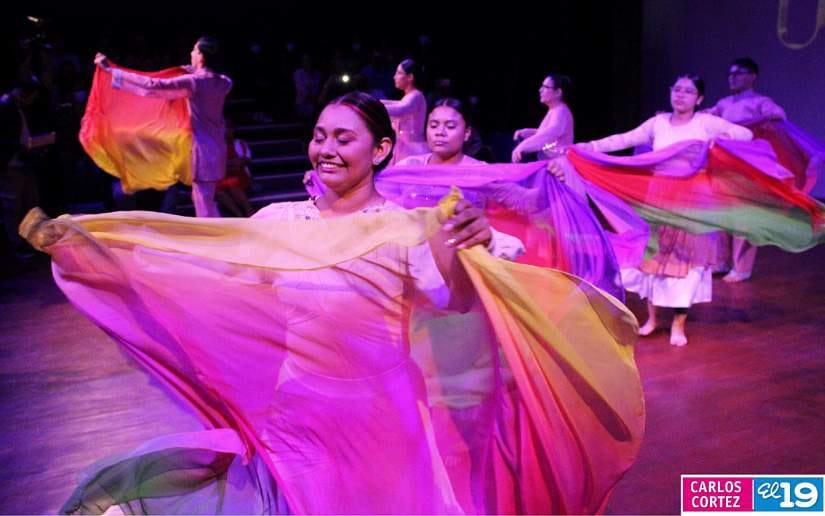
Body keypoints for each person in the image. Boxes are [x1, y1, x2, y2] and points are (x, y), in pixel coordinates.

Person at [22, 92, 643, 515]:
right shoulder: (279, 219)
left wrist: (466, 249)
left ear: (379, 151)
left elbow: (450, 302)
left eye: (344, 138)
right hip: (300, 410)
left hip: (385, 419)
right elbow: (208, 272)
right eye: (319, 136)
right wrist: (104, 250)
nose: (326, 149)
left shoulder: (405, 227)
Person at [579, 75, 752, 346]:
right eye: (677, 89)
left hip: (691, 203)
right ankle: (652, 319)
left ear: (699, 98)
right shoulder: (658, 123)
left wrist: (723, 135)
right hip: (659, 200)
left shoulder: (705, 123)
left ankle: (678, 324)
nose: (680, 95)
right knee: (653, 262)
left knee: (685, 265)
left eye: (688, 91)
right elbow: (624, 139)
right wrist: (590, 147)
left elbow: (747, 134)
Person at [94, 36, 233, 218]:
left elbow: (153, 85)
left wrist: (112, 71)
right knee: (203, 199)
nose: (191, 53)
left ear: (201, 56)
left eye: (194, 50)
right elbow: (205, 76)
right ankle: (216, 239)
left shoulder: (193, 82)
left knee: (204, 203)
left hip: (203, 150)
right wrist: (192, 69)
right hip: (217, 148)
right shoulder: (225, 82)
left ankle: (216, 242)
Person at [706, 57, 787, 283]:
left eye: (738, 73)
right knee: (721, 215)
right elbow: (705, 116)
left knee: (743, 217)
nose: (732, 77)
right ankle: (720, 262)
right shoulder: (724, 103)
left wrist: (764, 118)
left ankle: (742, 268)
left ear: (752, 76)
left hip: (746, 168)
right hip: (724, 165)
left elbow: (779, 114)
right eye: (730, 74)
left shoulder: (760, 101)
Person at [397, 97, 484, 166]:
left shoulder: (480, 172)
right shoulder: (407, 166)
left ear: (467, 133)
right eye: (433, 126)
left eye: (450, 127)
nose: (440, 132)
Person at [512, 74, 574, 163]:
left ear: (558, 92)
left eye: (545, 87)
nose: (540, 90)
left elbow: (549, 135)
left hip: (555, 167)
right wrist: (529, 132)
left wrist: (523, 146)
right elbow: (548, 133)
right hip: (550, 163)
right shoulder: (556, 110)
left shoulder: (561, 111)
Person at [380, 59, 428, 164]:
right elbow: (397, 104)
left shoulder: (416, 96)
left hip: (413, 149)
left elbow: (400, 109)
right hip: (403, 147)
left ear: (410, 77)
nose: (395, 77)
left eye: (399, 73)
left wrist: (376, 104)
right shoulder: (409, 96)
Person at [215, 122, 253, 217]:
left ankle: (249, 211)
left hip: (240, 177)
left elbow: (244, 161)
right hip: (221, 178)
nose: (226, 131)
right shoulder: (216, 146)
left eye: (228, 129)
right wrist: (230, 164)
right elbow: (214, 164)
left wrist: (226, 164)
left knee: (232, 184)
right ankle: (238, 214)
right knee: (218, 191)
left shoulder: (239, 144)